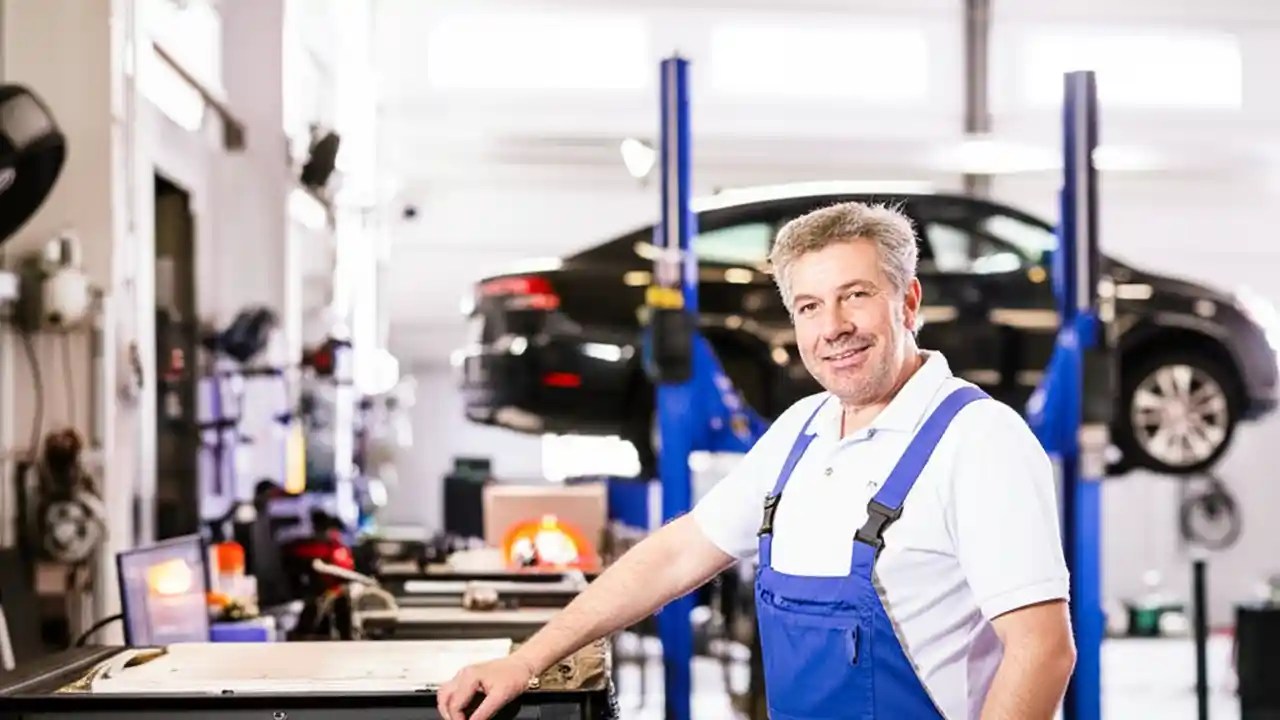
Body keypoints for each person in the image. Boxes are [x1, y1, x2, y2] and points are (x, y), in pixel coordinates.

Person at [437, 201, 1076, 720]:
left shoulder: (979, 439)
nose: (833, 327)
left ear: (907, 303)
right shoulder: (801, 432)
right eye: (809, 306)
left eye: (855, 296)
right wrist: (528, 660)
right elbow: (678, 552)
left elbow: (1043, 650)